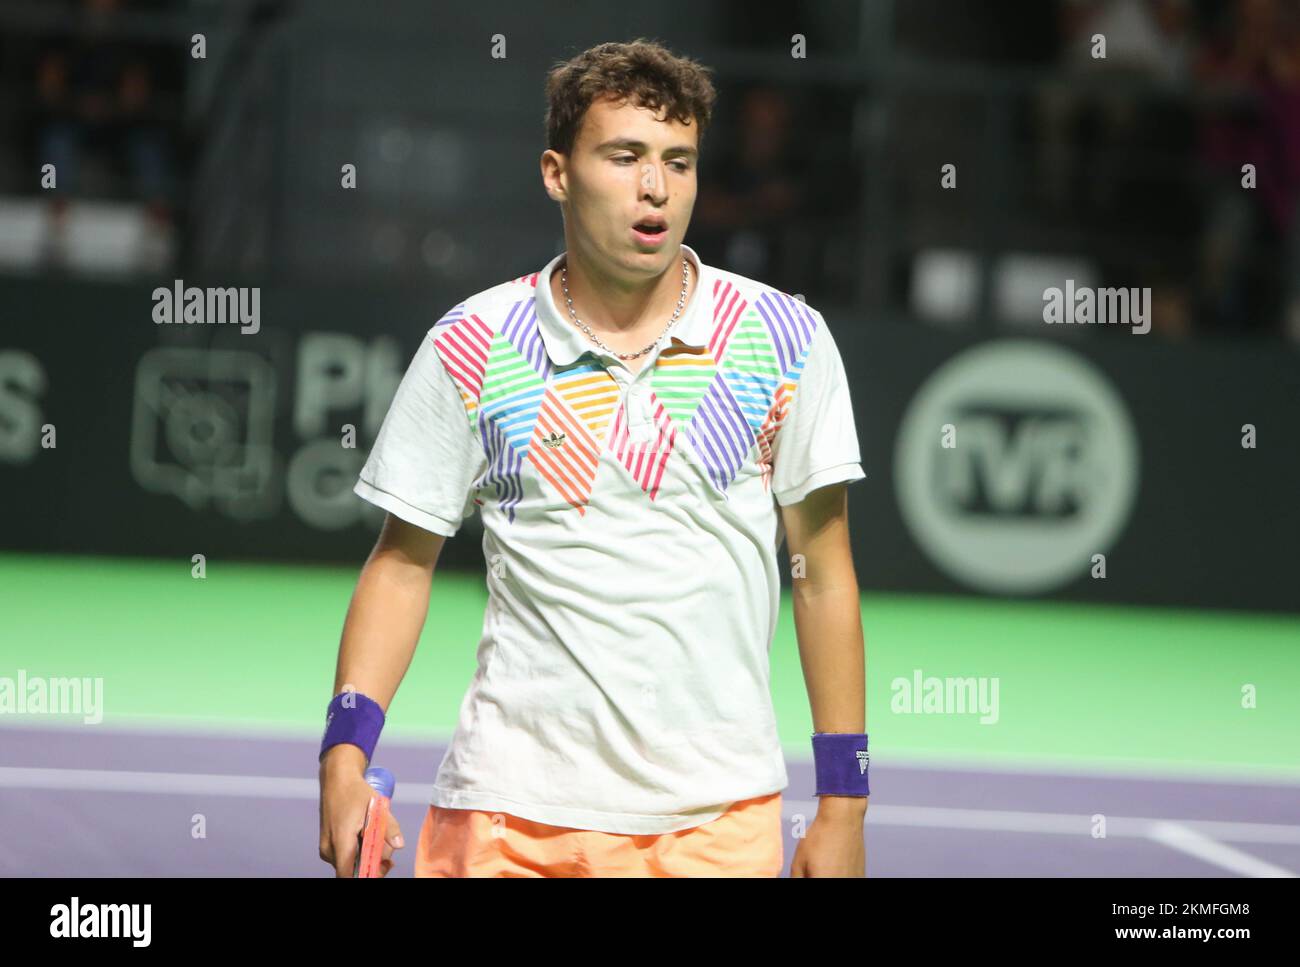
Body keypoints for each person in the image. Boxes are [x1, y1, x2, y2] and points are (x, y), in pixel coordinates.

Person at [318, 39, 870, 878]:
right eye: (626, 156)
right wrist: (343, 757)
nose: (656, 188)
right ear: (557, 172)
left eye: (678, 163)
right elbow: (401, 564)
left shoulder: (783, 338)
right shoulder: (475, 343)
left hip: (716, 822)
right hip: (504, 814)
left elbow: (822, 571)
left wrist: (844, 805)